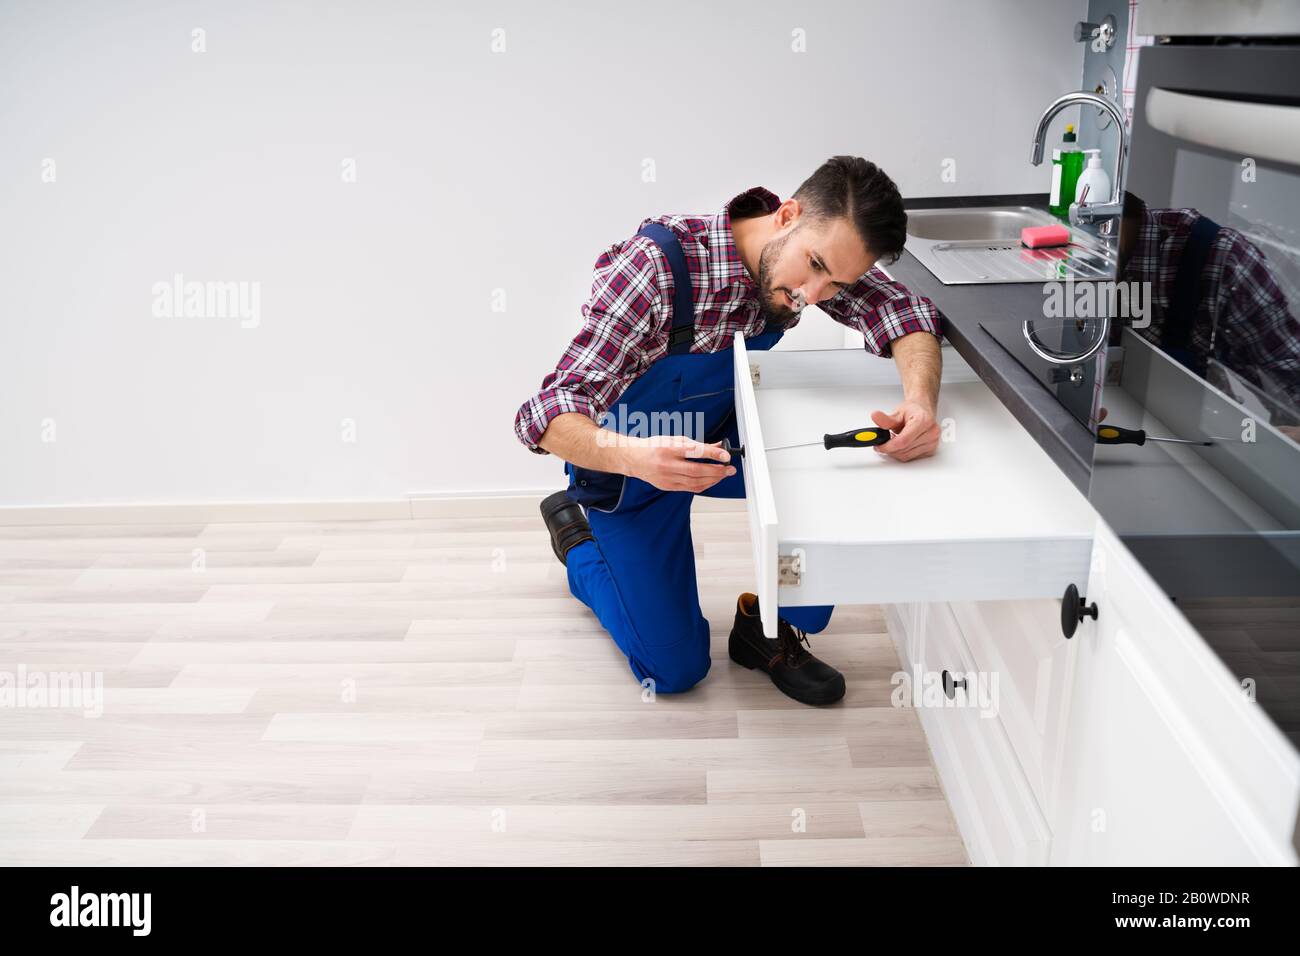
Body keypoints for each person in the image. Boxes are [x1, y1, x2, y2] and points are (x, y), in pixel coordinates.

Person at [513, 156, 945, 705]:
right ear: (787, 215)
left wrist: (919, 402)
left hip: (719, 444)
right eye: (813, 266)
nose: (810, 296)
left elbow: (905, 311)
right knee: (674, 670)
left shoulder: (814, 268)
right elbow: (545, 412)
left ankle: (769, 631)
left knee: (841, 457)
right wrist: (638, 459)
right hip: (628, 468)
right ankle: (578, 542)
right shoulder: (657, 269)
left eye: (835, 283)